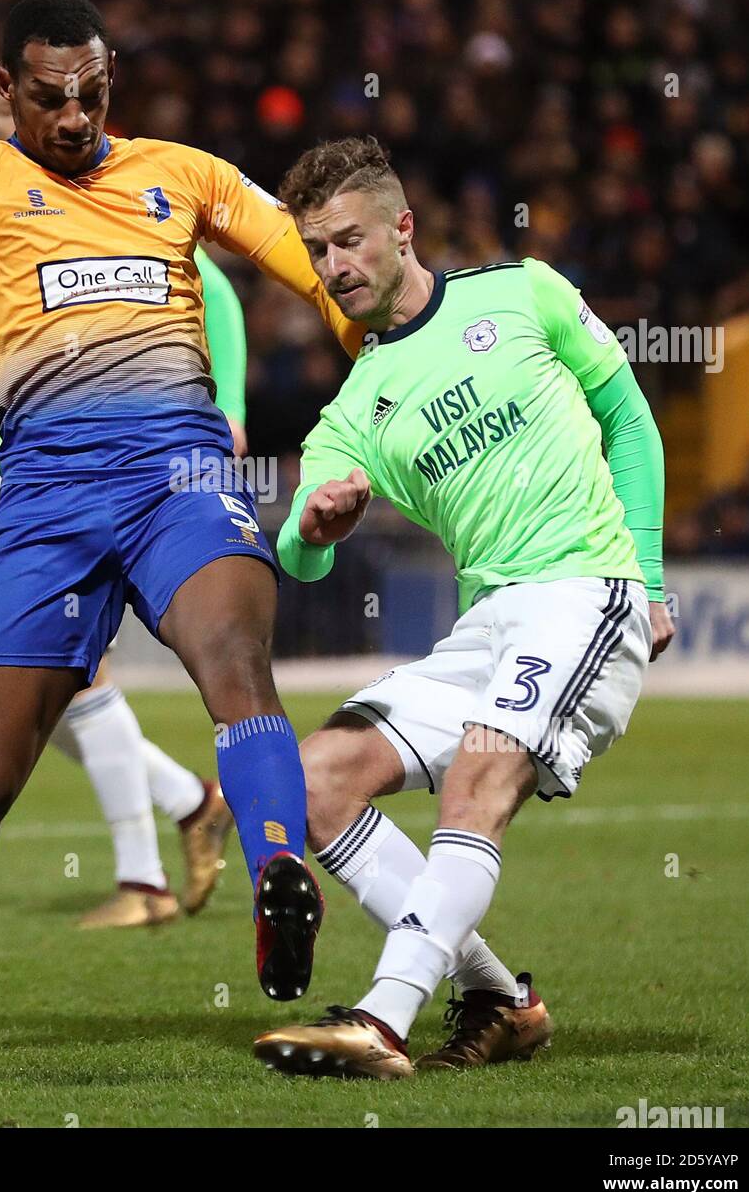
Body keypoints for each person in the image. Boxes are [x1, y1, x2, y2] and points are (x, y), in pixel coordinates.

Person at [0, 0, 365, 1042]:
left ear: (109, 82)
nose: (74, 117)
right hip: (43, 501)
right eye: (48, 97)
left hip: (178, 478)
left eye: (90, 94)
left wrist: (375, 360)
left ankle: (275, 869)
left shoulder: (187, 176)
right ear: (3, 87)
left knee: (235, 659)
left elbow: (312, 272)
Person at [252, 136, 673, 1079]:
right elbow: (297, 560)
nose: (335, 267)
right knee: (314, 777)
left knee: (476, 777)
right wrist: (315, 528)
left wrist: (649, 581)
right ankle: (495, 998)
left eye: (351, 241)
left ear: (403, 228)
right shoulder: (355, 406)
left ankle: (382, 1018)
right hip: (486, 625)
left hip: (583, 592)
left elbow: (631, 421)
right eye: (318, 251)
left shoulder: (523, 292)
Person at [0, 90, 246, 928]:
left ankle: (144, 877)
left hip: (129, 467)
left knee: (74, 678)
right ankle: (186, 798)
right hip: (21, 472)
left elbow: (214, 291)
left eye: (7, 125)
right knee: (31, 692)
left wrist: (230, 401)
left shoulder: (119, 203)